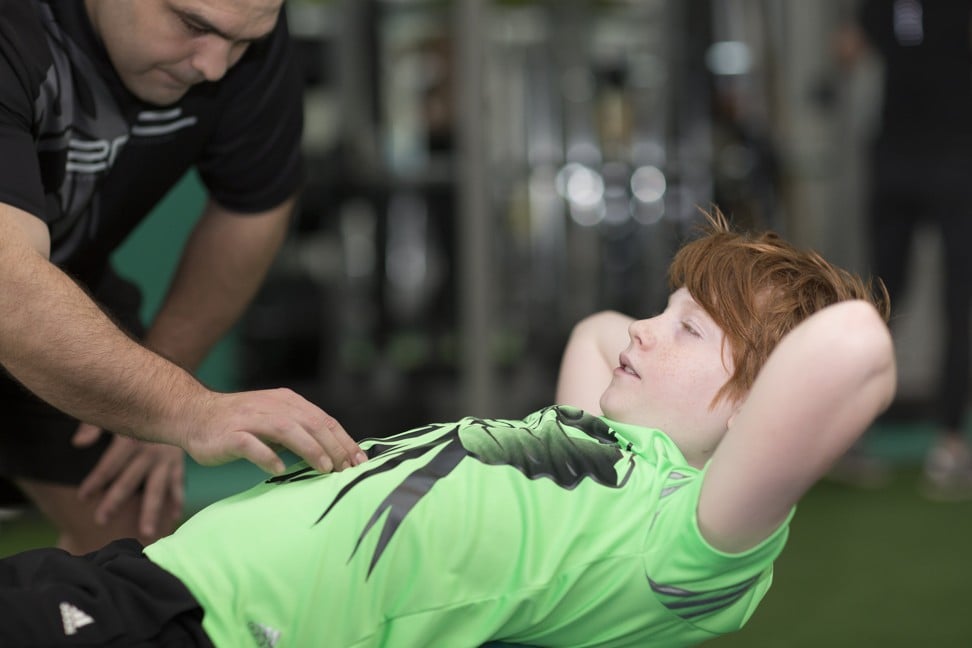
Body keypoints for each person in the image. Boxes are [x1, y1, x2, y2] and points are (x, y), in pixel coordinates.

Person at [0, 211, 896, 647]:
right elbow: (596, 334)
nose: (641, 330)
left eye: (688, 329)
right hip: (153, 582)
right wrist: (689, 337)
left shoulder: (685, 545)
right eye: (664, 309)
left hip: (209, 631)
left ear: (759, 406)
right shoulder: (594, 441)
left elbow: (853, 346)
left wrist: (755, 387)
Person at [0, 0, 366, 556]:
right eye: (193, 26)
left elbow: (252, 209)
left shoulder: (239, 24)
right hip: (17, 285)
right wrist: (187, 410)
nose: (216, 65)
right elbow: (10, 292)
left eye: (242, 43)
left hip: (63, 286)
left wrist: (164, 375)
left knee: (139, 545)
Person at [833, 0, 972, 498]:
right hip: (948, 159)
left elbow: (847, 49)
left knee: (883, 299)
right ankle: (950, 446)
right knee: (940, 301)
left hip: (904, 159)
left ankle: (848, 436)